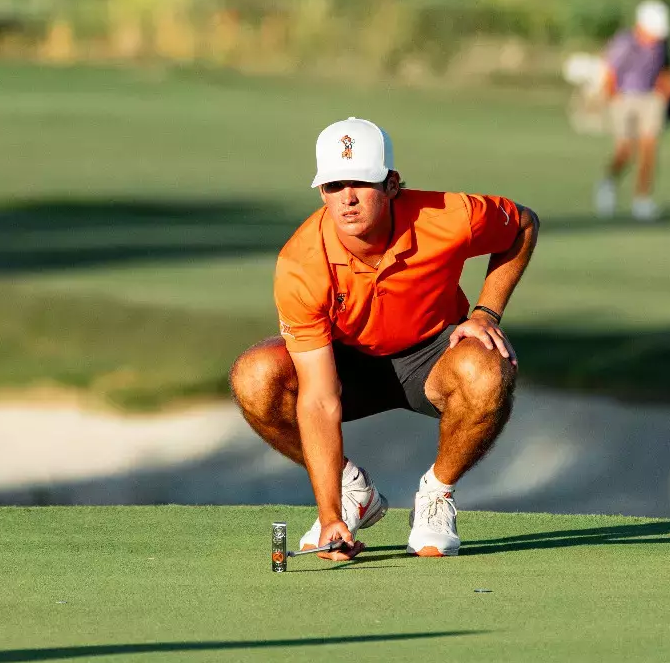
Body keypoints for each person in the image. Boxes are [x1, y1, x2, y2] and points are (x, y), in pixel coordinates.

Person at [229, 117, 540, 561]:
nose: (347, 198)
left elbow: (523, 225)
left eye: (361, 182)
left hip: (433, 355)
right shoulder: (302, 263)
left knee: (488, 368)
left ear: (392, 183)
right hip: (345, 364)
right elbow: (318, 398)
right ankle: (352, 491)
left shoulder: (449, 217)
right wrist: (330, 511)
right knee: (256, 376)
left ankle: (437, 495)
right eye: (334, 185)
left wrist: (487, 311)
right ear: (321, 192)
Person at [595, 0, 670, 222]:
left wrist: (667, 90)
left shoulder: (662, 44)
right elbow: (610, 73)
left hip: (651, 98)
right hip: (624, 99)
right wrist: (611, 100)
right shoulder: (624, 42)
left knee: (649, 149)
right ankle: (608, 183)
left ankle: (642, 199)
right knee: (626, 150)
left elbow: (665, 69)